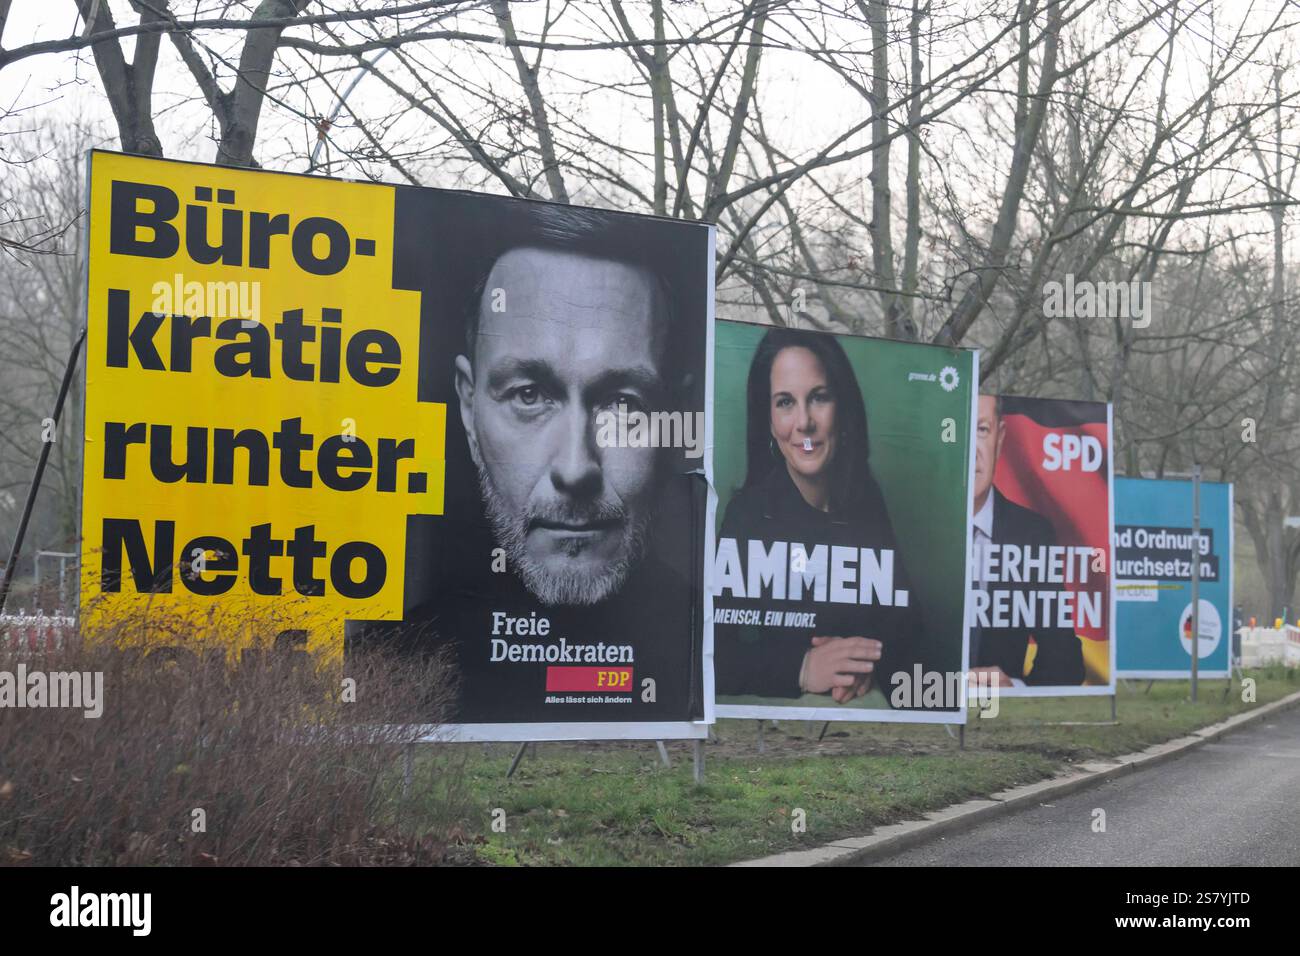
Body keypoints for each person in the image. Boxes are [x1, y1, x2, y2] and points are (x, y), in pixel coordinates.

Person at [365, 199, 707, 725]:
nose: (575, 469)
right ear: (467, 406)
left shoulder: (710, 651)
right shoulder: (380, 669)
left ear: (676, 419)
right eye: (529, 395)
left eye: (621, 402)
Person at [714, 327, 922, 704]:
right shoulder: (747, 516)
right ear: (767, 419)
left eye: (819, 398)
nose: (804, 422)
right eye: (784, 403)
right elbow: (708, 654)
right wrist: (803, 667)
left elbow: (907, 634)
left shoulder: (867, 501)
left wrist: (859, 666)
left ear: (843, 407)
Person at [969, 394, 1084, 686]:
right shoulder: (903, 526)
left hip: (999, 721)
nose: (970, 450)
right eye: (953, 430)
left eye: (981, 429)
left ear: (1000, 437)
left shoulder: (1031, 534)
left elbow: (1065, 663)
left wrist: (1014, 688)